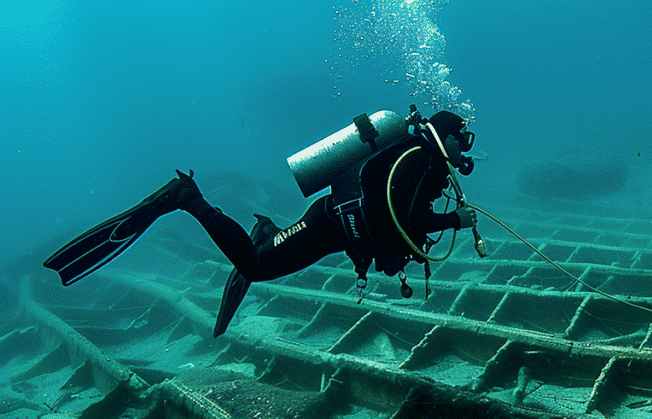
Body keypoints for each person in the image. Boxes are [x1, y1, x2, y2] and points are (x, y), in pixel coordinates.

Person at [44, 107, 480, 336]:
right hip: (330, 224)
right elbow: (401, 219)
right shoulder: (418, 160)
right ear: (450, 135)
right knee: (254, 266)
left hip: (339, 232)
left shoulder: (425, 164)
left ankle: (266, 232)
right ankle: (187, 199)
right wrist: (454, 221)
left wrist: (444, 220)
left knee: (262, 261)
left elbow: (399, 220)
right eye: (465, 138)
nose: (468, 149)